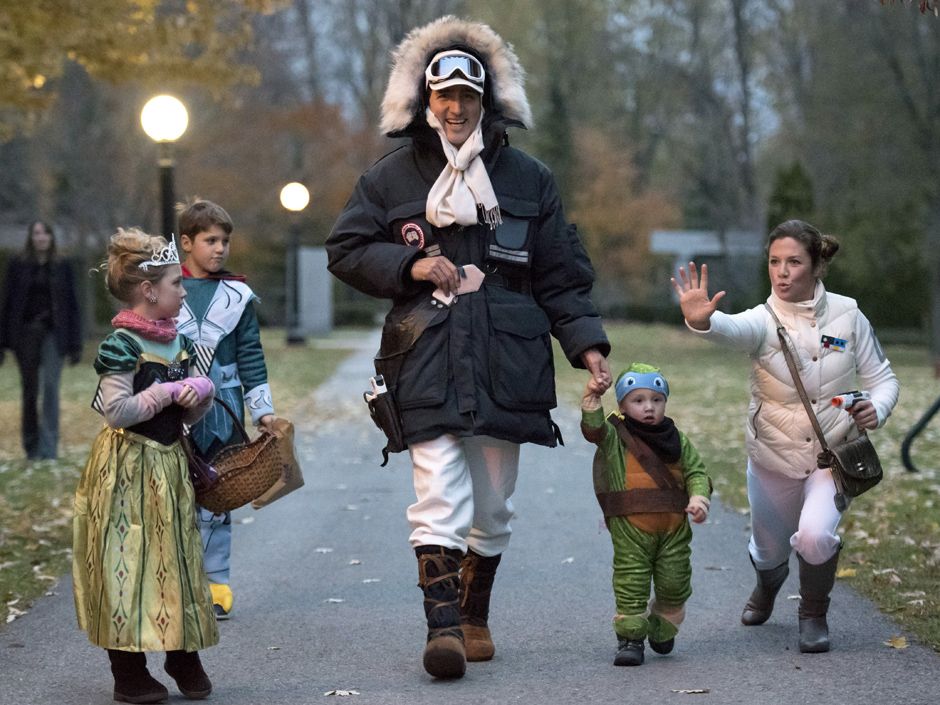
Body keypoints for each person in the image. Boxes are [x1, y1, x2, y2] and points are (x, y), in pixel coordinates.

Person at [326, 15, 611, 680]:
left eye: (467, 96)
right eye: (443, 95)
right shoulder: (390, 178)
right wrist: (411, 265)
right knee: (437, 493)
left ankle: (475, 611)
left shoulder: (530, 179)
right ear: (424, 100)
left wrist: (586, 345)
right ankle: (444, 629)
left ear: (488, 101)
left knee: (493, 504)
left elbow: (560, 275)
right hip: (423, 355)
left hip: (508, 360)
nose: (455, 108)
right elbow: (346, 249)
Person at [671, 219, 899, 653]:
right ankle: (767, 583)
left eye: (793, 262)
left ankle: (812, 615)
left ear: (816, 265)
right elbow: (731, 328)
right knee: (768, 551)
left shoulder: (849, 315)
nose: (782, 272)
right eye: (775, 262)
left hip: (832, 457)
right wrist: (703, 322)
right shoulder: (762, 320)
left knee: (815, 536)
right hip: (772, 459)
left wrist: (878, 407)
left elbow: (883, 379)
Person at [72, 228, 218, 703]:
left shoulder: (179, 342)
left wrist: (199, 395)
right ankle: (128, 670)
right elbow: (116, 412)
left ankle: (181, 654)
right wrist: (166, 392)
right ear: (149, 290)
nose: (184, 291)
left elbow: (183, 416)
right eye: (177, 283)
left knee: (176, 559)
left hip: (169, 465)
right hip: (128, 468)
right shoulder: (122, 344)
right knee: (128, 561)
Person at [176, 198, 276, 621]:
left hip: (224, 408)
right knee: (176, 494)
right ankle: (180, 581)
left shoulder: (237, 294)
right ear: (186, 243)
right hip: (174, 409)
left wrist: (262, 410)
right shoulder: (165, 287)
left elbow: (251, 353)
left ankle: (216, 580)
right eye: (210, 241)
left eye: (225, 241)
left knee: (218, 494)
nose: (220, 249)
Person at [581, 363, 711, 667]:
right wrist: (591, 399)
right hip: (631, 529)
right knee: (631, 581)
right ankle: (630, 639)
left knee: (675, 581)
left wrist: (698, 497)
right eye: (638, 400)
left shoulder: (677, 439)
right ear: (623, 405)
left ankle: (664, 622)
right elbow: (593, 430)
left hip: (673, 529)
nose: (649, 407)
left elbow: (696, 472)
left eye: (656, 399)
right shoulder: (615, 436)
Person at [0, 220, 82, 459]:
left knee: (50, 387)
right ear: (31, 237)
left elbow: (72, 305)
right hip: (25, 333)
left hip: (53, 334)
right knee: (30, 390)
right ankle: (31, 446)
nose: (41, 237)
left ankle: (48, 448)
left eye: (46, 233)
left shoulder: (63, 266)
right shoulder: (18, 265)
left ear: (51, 237)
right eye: (37, 233)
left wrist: (75, 344)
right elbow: (7, 303)